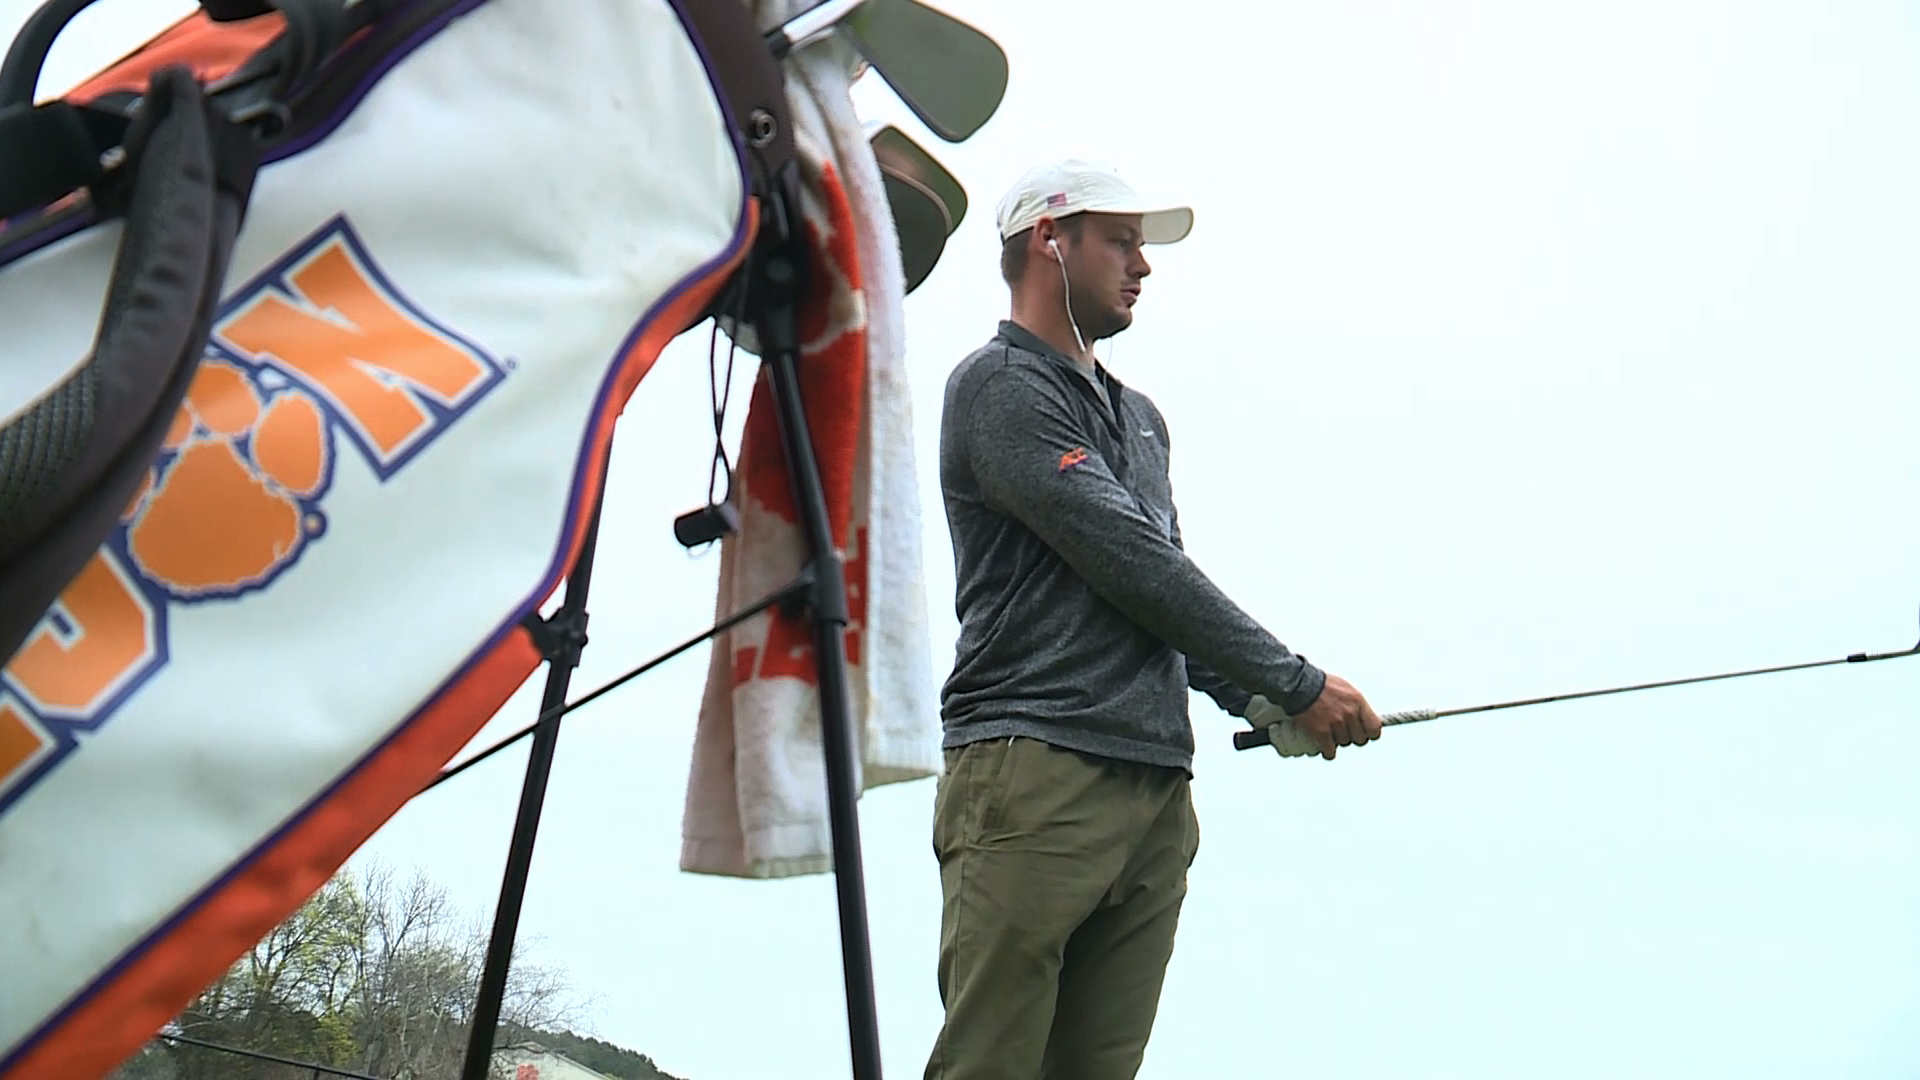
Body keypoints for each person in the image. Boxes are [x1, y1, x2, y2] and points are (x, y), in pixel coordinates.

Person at [923, 158, 1386, 1080]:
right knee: (990, 1068)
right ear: (1050, 242)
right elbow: (1126, 559)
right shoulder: (1000, 388)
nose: (1143, 264)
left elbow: (1159, 588)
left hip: (1154, 792)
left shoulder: (1141, 420)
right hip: (1033, 772)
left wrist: (1264, 702)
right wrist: (1293, 681)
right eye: (1121, 241)